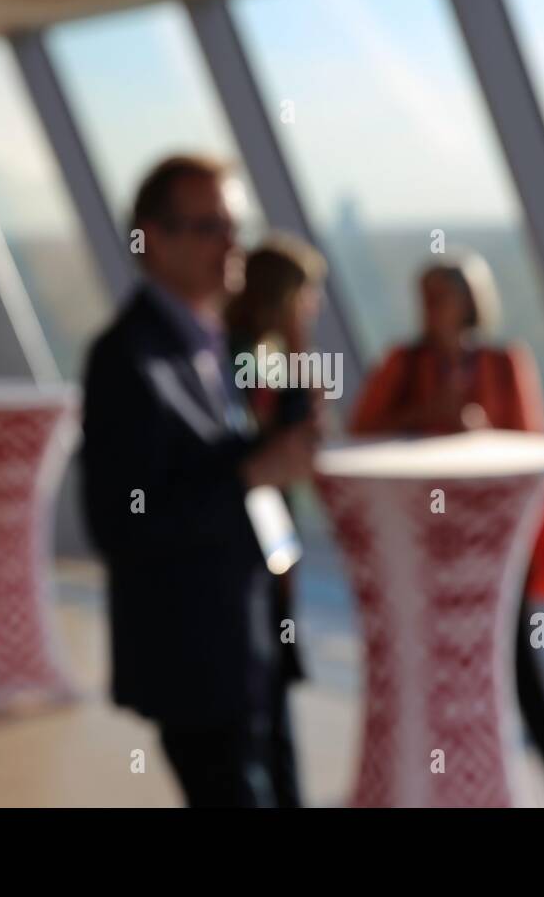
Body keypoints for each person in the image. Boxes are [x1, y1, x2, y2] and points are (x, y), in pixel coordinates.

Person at [80, 155, 317, 807]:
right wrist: (251, 474)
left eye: (233, 224)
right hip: (195, 660)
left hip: (249, 638)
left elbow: (227, 458)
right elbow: (120, 522)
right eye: (211, 226)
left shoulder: (211, 342)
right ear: (154, 238)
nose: (232, 243)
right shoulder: (127, 358)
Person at [350, 251, 544, 807]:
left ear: (468, 300)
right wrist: (425, 414)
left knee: (510, 663)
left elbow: (532, 448)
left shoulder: (502, 363)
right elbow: (361, 429)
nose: (431, 306)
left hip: (492, 547)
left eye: (442, 293)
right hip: (422, 548)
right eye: (426, 294)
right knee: (431, 669)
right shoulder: (404, 363)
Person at [223, 231, 329, 808]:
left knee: (272, 685)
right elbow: (290, 434)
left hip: (269, 527)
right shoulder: (246, 354)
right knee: (263, 685)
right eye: (306, 296)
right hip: (253, 531)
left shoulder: (259, 351)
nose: (311, 308)